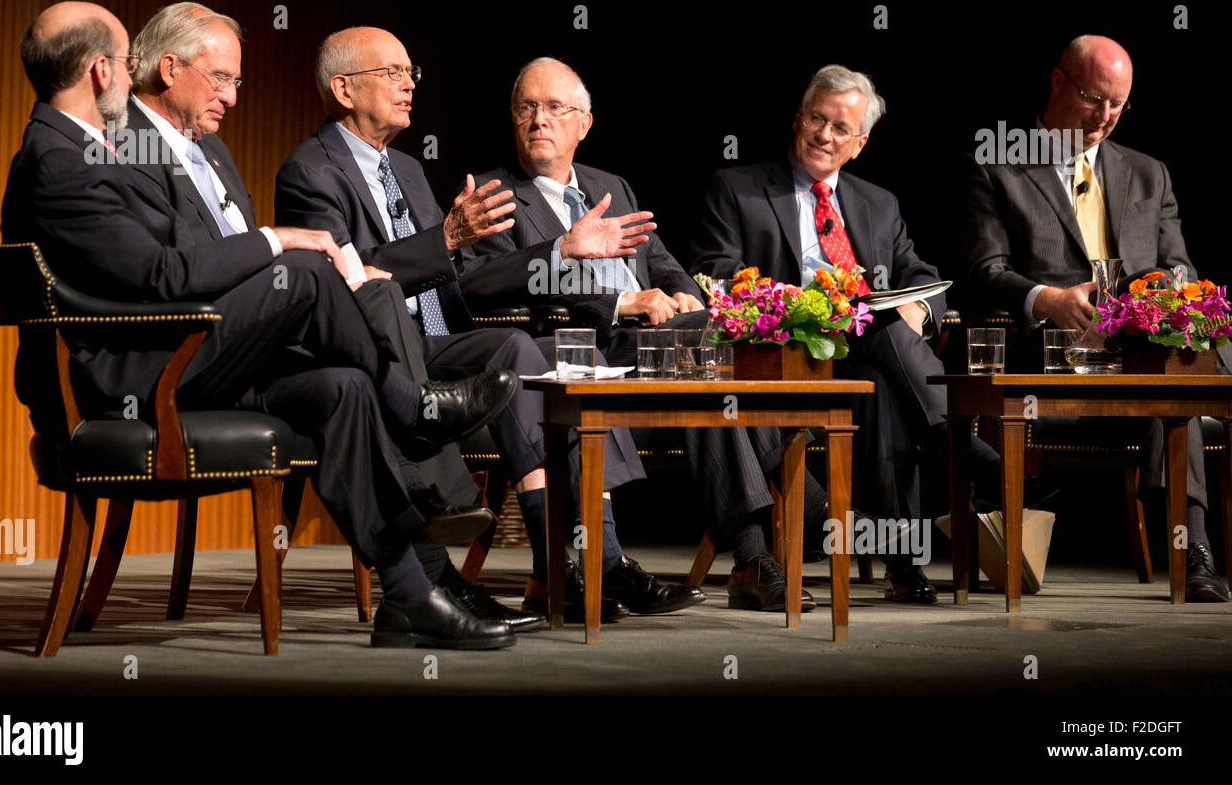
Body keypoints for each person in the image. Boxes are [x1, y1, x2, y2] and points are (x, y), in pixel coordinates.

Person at [0, 1, 520, 649]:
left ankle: (412, 594)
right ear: (103, 69)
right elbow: (160, 277)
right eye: (128, 60)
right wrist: (276, 242)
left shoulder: (94, 149)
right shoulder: (66, 160)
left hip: (185, 352)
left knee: (343, 388)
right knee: (303, 271)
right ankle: (414, 408)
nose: (133, 74)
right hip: (137, 378)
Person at [275, 28, 704, 621]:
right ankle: (570, 567)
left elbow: (461, 276)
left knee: (525, 350)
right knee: (525, 347)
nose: (408, 85)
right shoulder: (310, 171)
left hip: (440, 338)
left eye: (411, 72)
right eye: (392, 73)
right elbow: (347, 279)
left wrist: (542, 252)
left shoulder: (404, 167)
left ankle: (580, 568)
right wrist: (448, 239)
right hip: (379, 352)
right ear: (344, 89)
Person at [469, 56, 822, 613]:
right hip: (562, 349)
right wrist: (619, 301)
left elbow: (663, 261)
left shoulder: (611, 187)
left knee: (707, 334)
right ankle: (767, 529)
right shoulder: (495, 194)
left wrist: (683, 293)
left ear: (583, 123)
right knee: (699, 349)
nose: (540, 120)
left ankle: (755, 552)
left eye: (555, 108)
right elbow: (487, 286)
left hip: (646, 348)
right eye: (526, 108)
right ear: (513, 120)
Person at [691, 63, 1001, 604]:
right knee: (878, 348)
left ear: (859, 144)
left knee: (882, 367)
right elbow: (715, 275)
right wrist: (800, 305)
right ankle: (958, 445)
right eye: (817, 119)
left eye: (841, 129)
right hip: (785, 354)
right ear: (798, 119)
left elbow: (923, 276)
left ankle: (902, 560)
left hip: (861, 356)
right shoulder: (738, 187)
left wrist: (920, 313)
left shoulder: (877, 203)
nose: (825, 136)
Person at [963, 34, 1229, 602]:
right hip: (1053, 355)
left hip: (1140, 350)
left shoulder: (1148, 172)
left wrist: (1165, 294)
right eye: (1092, 98)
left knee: (1178, 369)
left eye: (1118, 104)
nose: (1105, 117)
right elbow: (984, 271)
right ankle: (1194, 548)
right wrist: (1049, 299)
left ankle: (1195, 548)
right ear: (1058, 83)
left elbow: (1178, 264)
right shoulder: (998, 164)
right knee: (1176, 384)